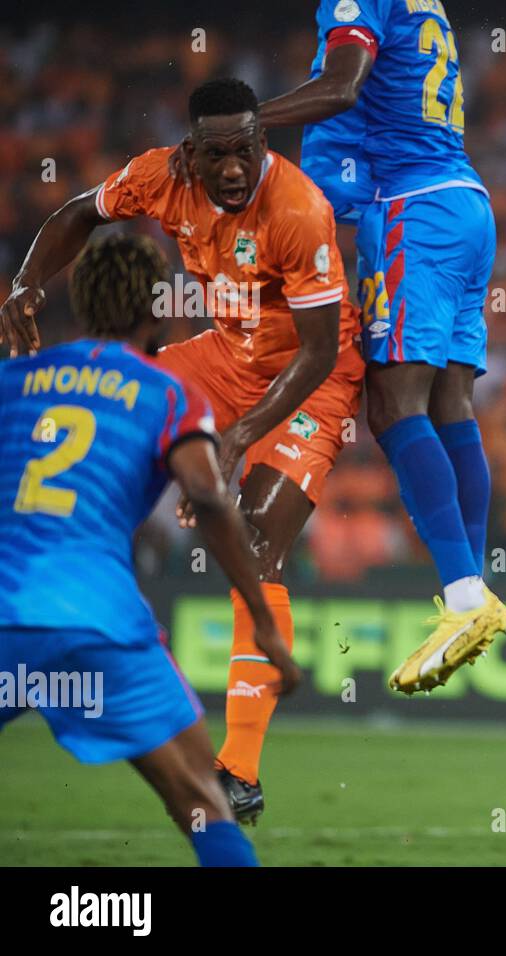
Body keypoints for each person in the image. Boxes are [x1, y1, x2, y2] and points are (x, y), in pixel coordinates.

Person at [1, 77, 361, 821]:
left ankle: (240, 770)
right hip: (223, 356)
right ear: (189, 153)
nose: (232, 168)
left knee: (256, 543)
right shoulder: (160, 177)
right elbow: (78, 213)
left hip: (308, 377)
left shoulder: (298, 210)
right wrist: (27, 284)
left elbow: (321, 351)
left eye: (245, 151)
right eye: (216, 154)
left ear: (263, 142)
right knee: (90, 407)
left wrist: (239, 437)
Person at [0, 233, 300, 865]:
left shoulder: (13, 382)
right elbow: (209, 497)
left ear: (81, 301)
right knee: (203, 802)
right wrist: (264, 622)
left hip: (6, 616)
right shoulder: (166, 392)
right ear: (157, 310)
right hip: (98, 621)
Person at [243, 0, 506, 695]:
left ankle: (464, 596)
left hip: (411, 210)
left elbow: (341, 87)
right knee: (450, 405)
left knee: (393, 406)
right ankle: (470, 593)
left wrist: (244, 121)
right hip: (463, 201)